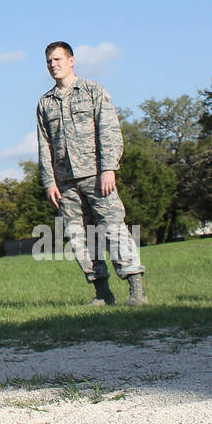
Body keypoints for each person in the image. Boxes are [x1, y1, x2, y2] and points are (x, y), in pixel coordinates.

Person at [36, 41, 147, 306]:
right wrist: (49, 181)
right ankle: (102, 293)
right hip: (65, 183)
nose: (54, 65)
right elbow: (44, 145)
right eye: (49, 61)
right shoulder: (44, 103)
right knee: (80, 238)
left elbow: (109, 131)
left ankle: (137, 291)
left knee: (113, 229)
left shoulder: (93, 91)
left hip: (97, 176)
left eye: (58, 60)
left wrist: (109, 168)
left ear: (72, 60)